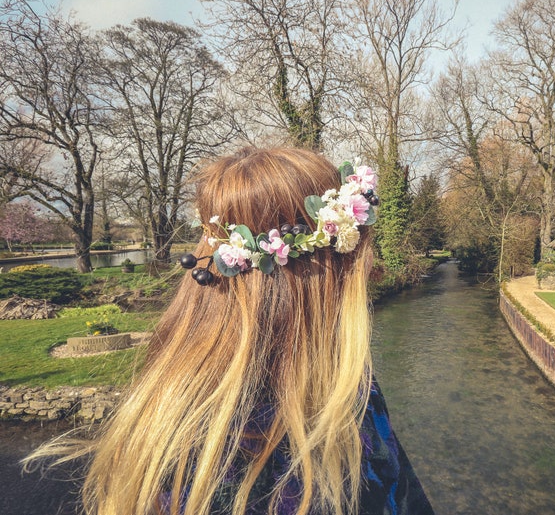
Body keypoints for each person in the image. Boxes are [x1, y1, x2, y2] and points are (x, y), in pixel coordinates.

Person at [25, 147, 434, 515]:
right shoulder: (234, 459)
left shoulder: (345, 386)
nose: (373, 270)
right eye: (362, 263)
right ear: (323, 280)